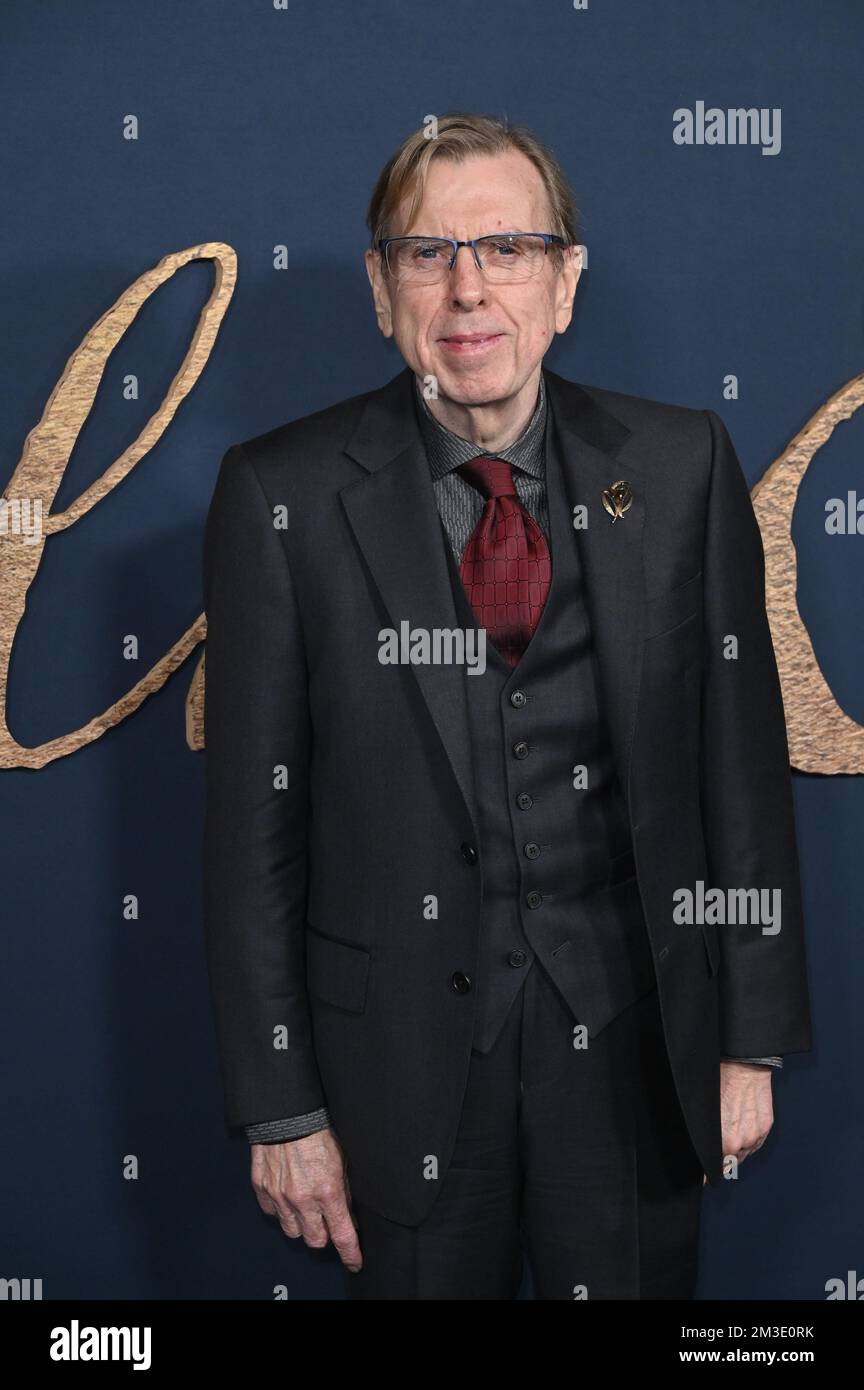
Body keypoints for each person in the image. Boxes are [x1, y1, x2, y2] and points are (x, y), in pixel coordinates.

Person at [202, 113, 812, 1300]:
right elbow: (249, 835)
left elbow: (739, 767)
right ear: (382, 291)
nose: (467, 288)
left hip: (638, 1056)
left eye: (508, 248)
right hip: (399, 1075)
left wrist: (752, 1035)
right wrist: (280, 1105)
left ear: (566, 282)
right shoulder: (279, 494)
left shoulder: (682, 466)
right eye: (427, 253)